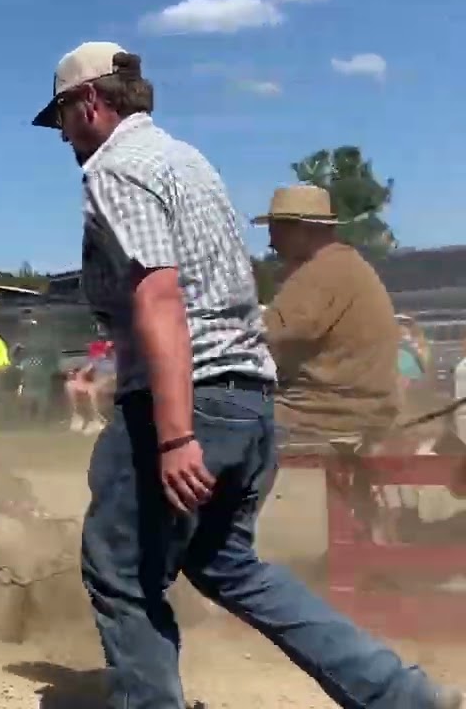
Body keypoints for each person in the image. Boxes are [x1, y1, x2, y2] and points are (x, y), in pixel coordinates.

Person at [31, 40, 461, 708]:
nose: (61, 135)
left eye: (60, 116)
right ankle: (400, 697)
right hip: (250, 403)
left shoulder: (115, 167)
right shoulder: (188, 160)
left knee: (118, 567)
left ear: (88, 103)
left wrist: (174, 436)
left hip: (191, 398)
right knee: (229, 564)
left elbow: (161, 297)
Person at [258, 185, 404, 443]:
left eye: (276, 232)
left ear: (302, 229)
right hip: (365, 408)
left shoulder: (319, 274)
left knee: (216, 414)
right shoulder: (347, 264)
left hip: (325, 412)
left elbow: (262, 339)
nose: (271, 243)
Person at [64, 339, 116, 434]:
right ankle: (78, 416)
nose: (107, 352)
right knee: (70, 385)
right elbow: (85, 370)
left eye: (110, 349)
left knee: (92, 389)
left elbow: (116, 375)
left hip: (111, 384)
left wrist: (105, 380)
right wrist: (79, 378)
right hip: (97, 383)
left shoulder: (118, 360)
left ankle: (98, 420)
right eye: (106, 349)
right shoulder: (99, 359)